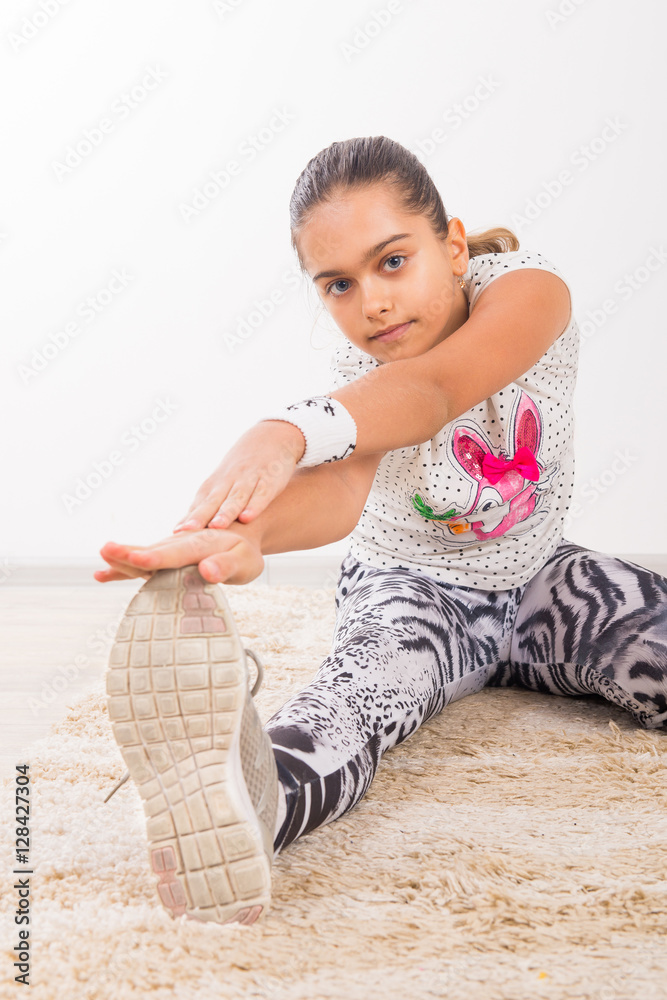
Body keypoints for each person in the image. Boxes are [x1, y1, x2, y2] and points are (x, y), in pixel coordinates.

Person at [97, 135, 667, 929]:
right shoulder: (360, 383)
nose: (371, 302)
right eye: (338, 283)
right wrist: (249, 535)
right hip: (413, 589)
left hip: (538, 578)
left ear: (454, 244)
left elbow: (436, 390)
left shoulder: (530, 293)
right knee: (358, 701)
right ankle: (239, 804)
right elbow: (337, 491)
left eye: (392, 261)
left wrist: (284, 428)